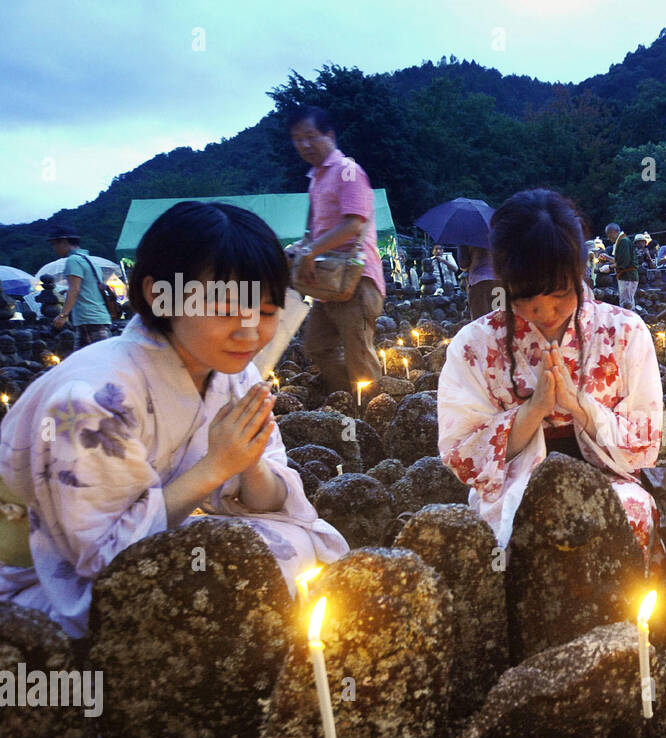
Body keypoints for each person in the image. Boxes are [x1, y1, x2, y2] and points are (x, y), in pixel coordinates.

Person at [0, 201, 348, 638]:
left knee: (301, 547)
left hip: (156, 536)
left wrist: (249, 461)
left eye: (265, 311)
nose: (249, 332)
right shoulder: (93, 399)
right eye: (225, 310)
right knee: (220, 590)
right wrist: (215, 468)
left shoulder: (231, 373)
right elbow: (105, 558)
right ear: (157, 294)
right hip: (46, 576)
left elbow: (274, 499)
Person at [438, 189, 664, 571]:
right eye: (527, 299)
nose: (545, 312)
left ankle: (626, 626)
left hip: (608, 474)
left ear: (580, 273)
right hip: (514, 481)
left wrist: (580, 406)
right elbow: (461, 451)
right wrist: (533, 409)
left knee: (628, 513)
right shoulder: (475, 345)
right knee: (505, 531)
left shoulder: (624, 331)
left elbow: (646, 439)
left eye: (560, 295)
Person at [287, 105, 384, 395]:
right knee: (317, 347)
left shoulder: (347, 172)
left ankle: (371, 418)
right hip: (328, 283)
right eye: (297, 138)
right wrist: (302, 249)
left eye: (310, 136)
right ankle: (350, 404)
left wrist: (310, 252)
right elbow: (316, 232)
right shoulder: (315, 179)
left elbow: (354, 223)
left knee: (359, 355)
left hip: (356, 279)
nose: (304, 144)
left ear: (329, 135)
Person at [47, 223, 112, 350]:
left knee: (99, 362)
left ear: (64, 242)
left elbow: (74, 289)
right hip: (98, 316)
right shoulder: (89, 260)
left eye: (55, 244)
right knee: (85, 362)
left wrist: (62, 316)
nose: (54, 248)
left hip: (88, 318)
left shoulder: (73, 261)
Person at [601, 223, 638, 309]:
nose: (608, 237)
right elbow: (619, 260)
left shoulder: (623, 241)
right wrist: (607, 257)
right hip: (625, 276)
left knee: (626, 303)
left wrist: (609, 267)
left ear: (614, 232)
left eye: (609, 234)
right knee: (626, 301)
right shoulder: (622, 241)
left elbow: (624, 263)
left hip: (628, 276)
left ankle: (629, 321)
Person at [461, 245, 498, 320]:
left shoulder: (465, 236)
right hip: (500, 282)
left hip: (478, 282)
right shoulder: (501, 234)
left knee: (481, 321)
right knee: (501, 320)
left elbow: (463, 264)